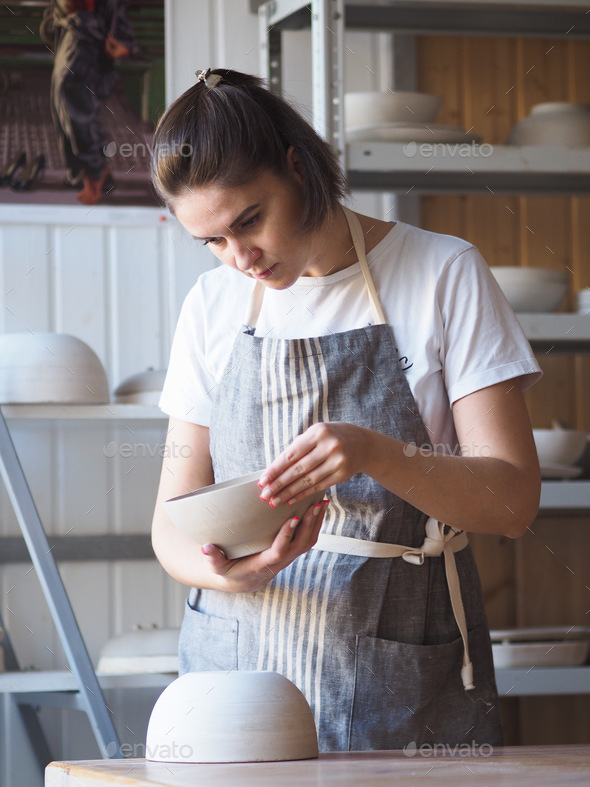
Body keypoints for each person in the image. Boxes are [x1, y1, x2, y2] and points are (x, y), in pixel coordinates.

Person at [150, 68, 542, 752]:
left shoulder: (443, 273)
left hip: (399, 681)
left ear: (297, 169)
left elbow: (512, 500)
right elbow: (169, 524)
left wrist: (374, 452)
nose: (239, 258)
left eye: (249, 220)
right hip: (238, 682)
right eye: (210, 240)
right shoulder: (212, 307)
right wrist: (224, 569)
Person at [47, 0, 137, 204]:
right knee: (65, 105)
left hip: (84, 34)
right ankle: (90, 172)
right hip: (75, 31)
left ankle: (94, 176)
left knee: (77, 109)